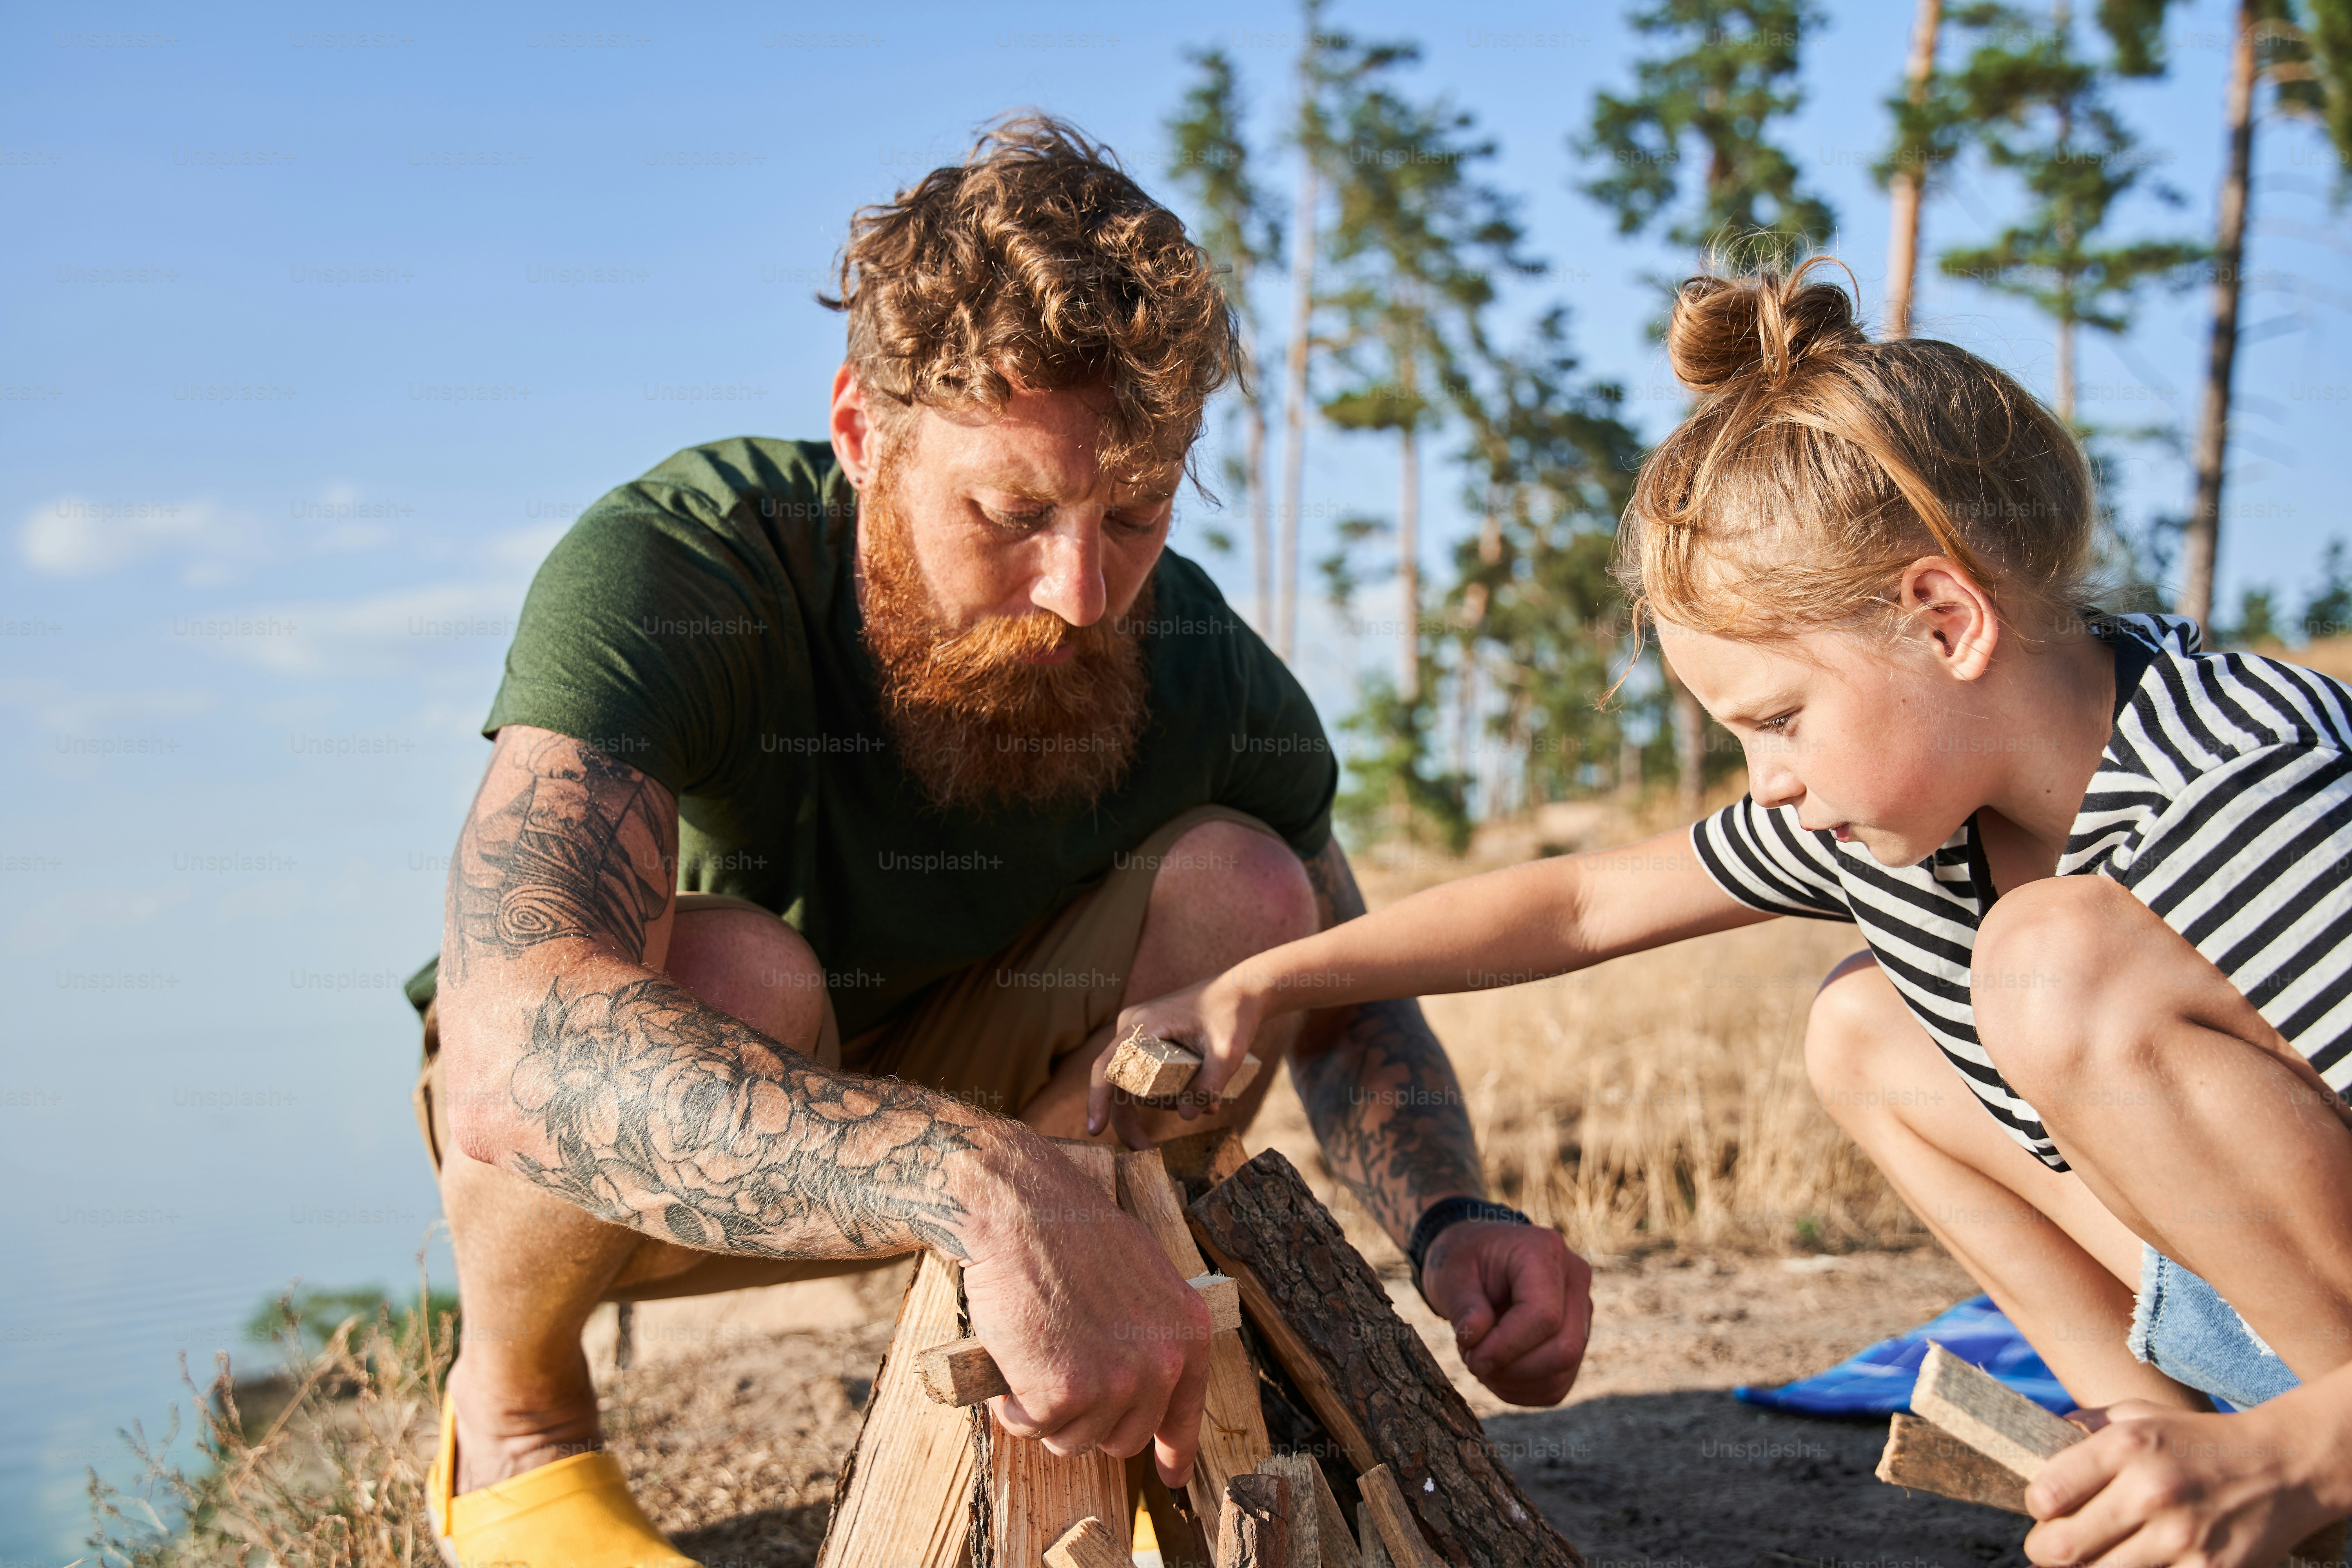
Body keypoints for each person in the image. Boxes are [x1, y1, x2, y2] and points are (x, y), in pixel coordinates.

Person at [409, 114, 1588, 1568]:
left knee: (1252, 891)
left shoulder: (1196, 659)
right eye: (1014, 512)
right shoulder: (680, 566)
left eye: (1139, 511)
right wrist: (972, 1178)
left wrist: (1452, 1223)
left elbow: (1342, 992)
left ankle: (1065, 1409)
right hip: (668, 1132)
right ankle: (518, 1425)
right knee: (744, 980)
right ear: (863, 436)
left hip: (985, 1100)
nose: (1084, 590)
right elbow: (518, 1056)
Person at [1118, 256, 2352, 1568]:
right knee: (1864, 1027)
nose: (1773, 784)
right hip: (2244, 1337)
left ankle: (2294, 1483)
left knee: (2051, 960)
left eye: (1777, 721)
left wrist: (2302, 1448)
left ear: (1944, 621)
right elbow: (1583, 902)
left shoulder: (2243, 789)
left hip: (2323, 1398)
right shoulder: (1909, 802)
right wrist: (1273, 978)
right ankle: (2150, 1464)